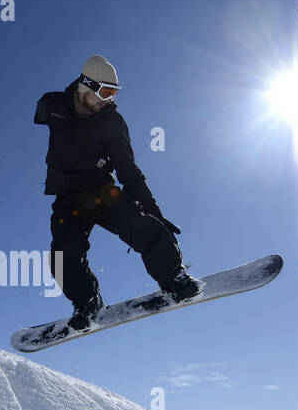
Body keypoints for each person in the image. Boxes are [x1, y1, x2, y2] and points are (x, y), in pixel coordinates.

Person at [34, 55, 202, 330]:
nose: (109, 100)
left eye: (114, 93)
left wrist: (154, 212)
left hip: (101, 192)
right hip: (67, 199)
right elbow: (42, 112)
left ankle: (175, 280)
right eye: (105, 92)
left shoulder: (112, 123)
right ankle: (88, 304)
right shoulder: (52, 105)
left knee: (145, 226)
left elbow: (129, 171)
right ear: (85, 86)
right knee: (62, 256)